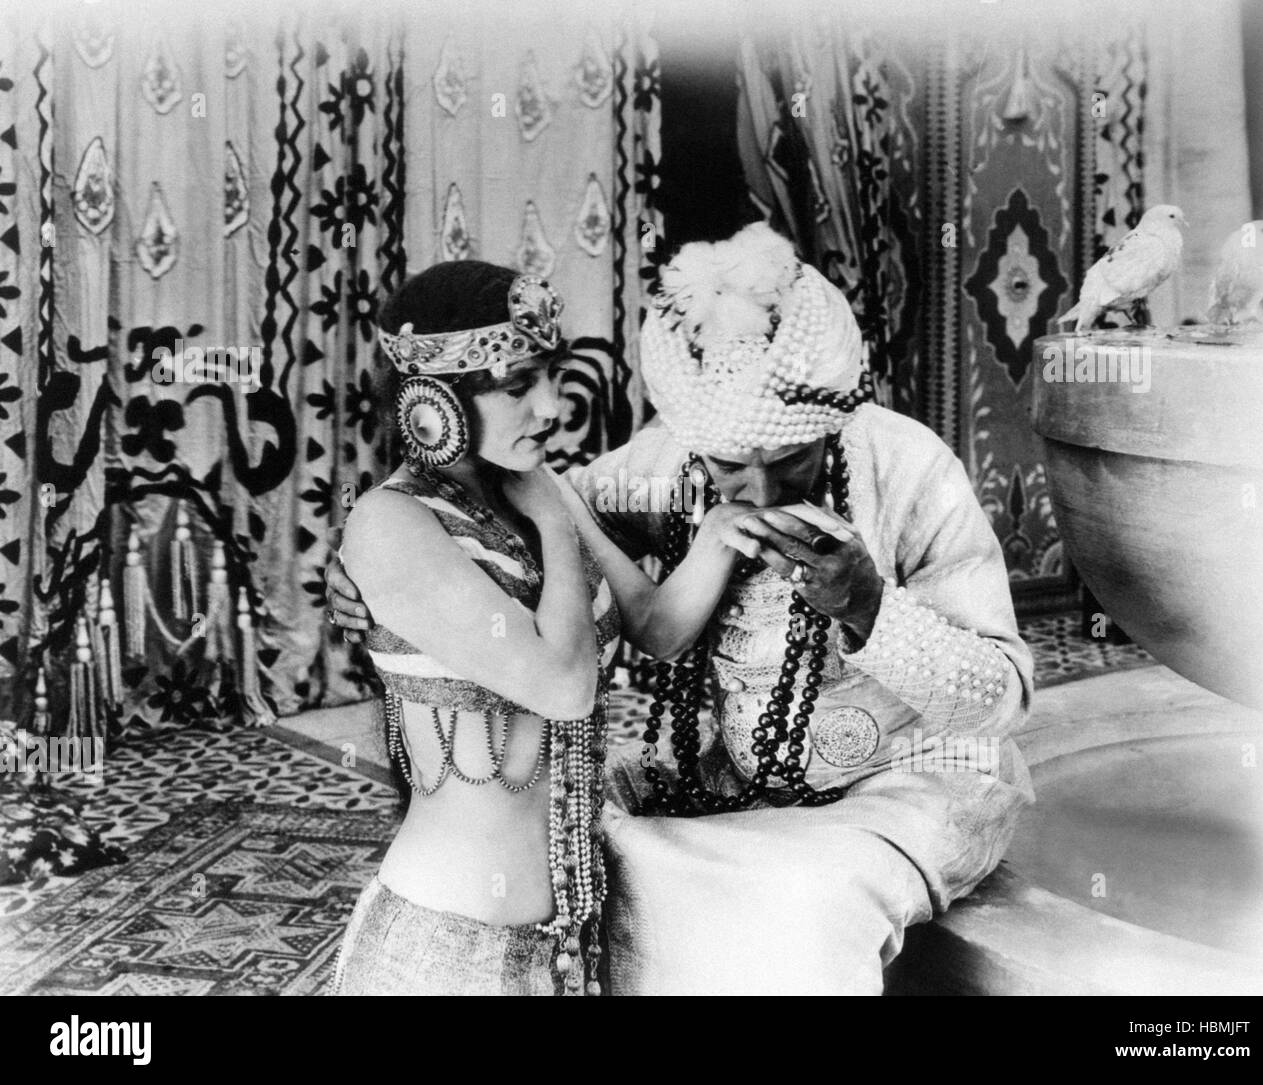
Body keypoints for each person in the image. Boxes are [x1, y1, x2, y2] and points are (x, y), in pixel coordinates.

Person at [327, 225, 1035, 995]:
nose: (759, 493)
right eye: (731, 466)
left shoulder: (909, 466)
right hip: (714, 796)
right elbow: (498, 548)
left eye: (790, 458)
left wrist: (870, 607)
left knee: (807, 898)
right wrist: (364, 580)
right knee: (621, 855)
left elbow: (1003, 697)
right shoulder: (649, 470)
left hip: (907, 783)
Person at [328, 260, 757, 996]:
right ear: (434, 401)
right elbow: (564, 683)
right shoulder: (389, 522)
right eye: (519, 383)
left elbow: (654, 623)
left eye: (552, 376)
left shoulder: (534, 488)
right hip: (450, 949)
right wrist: (556, 514)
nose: (553, 407)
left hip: (570, 942)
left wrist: (725, 531)